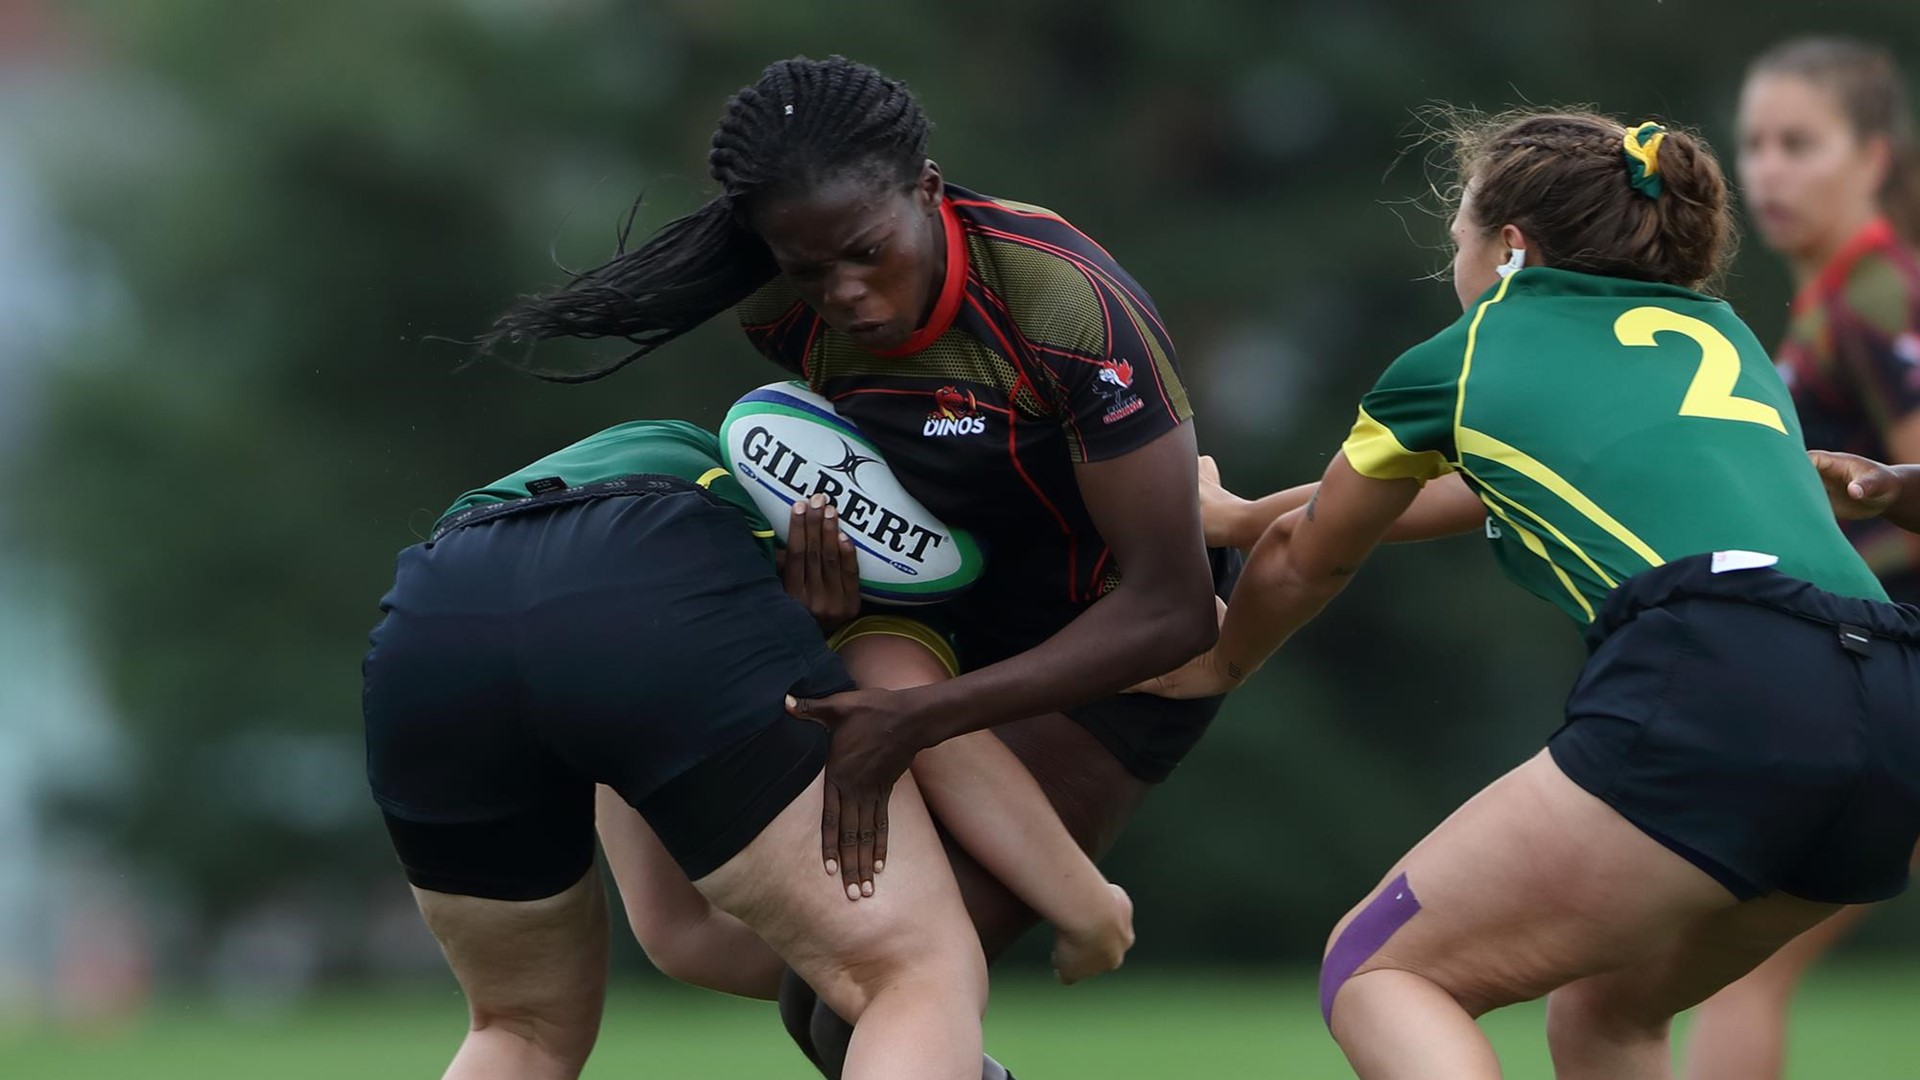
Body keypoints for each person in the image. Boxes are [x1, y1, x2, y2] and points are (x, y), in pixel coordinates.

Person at [482, 55, 1231, 1078]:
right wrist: (833, 606)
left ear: (928, 189)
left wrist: (923, 714)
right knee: (836, 988)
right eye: (806, 266)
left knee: (859, 1002)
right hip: (936, 647)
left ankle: (1096, 918)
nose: (844, 293)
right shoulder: (783, 313)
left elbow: (1175, 609)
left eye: (867, 253)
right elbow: (902, 496)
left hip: (1113, 657)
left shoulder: (1066, 305)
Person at [1146, 109, 1920, 1079]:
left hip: (1729, 674)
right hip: (1892, 703)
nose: (1455, 268)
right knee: (1605, 1015)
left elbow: (1313, 554)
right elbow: (1480, 485)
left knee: (1377, 972)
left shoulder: (1472, 351)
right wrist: (1241, 515)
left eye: (1458, 240)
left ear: (1511, 250)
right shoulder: (1719, 337)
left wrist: (1222, 659)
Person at [362, 419, 1119, 1080]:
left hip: (436, 614)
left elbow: (681, 932)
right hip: (651, 573)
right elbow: (919, 718)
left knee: (520, 1028)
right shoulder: (900, 568)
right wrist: (1086, 907)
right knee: (915, 974)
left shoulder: (679, 459)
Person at [1683, 37, 1920, 1080]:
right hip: (1877, 678)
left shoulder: (1876, 296)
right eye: (1756, 145)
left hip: (1896, 679)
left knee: (1736, 970)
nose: (1770, 170)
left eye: (1801, 143)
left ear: (1874, 156)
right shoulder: (1837, 295)